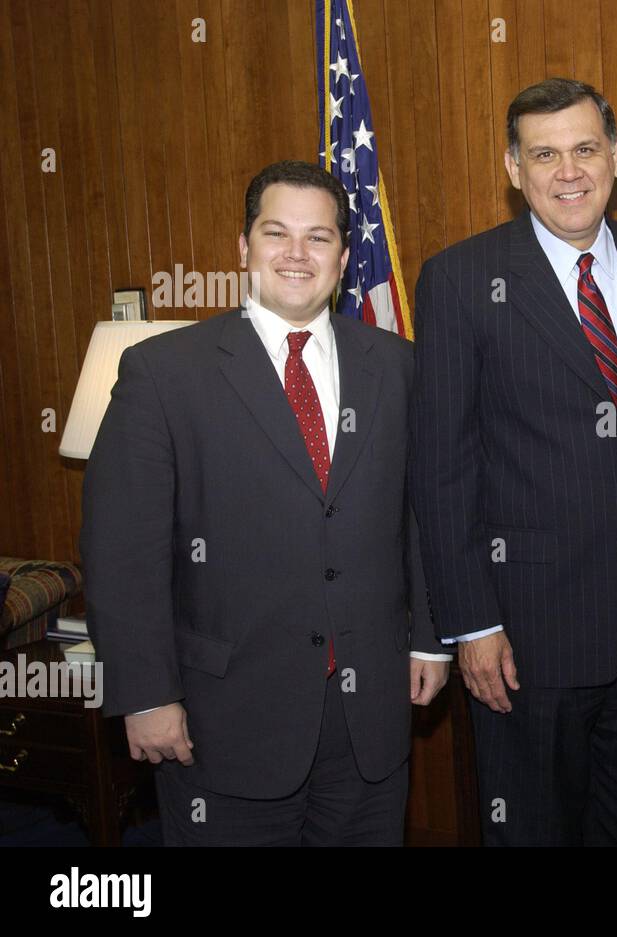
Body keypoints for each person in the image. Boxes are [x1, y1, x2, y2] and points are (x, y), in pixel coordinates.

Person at [82, 160, 449, 846]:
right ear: (243, 247)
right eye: (276, 232)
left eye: (317, 237)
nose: (296, 254)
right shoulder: (164, 373)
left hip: (368, 716)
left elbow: (421, 513)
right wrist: (145, 692)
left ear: (344, 254)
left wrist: (430, 636)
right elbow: (121, 552)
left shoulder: (397, 365)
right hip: (222, 722)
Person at [411, 78, 617, 845]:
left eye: (583, 148)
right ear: (514, 169)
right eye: (544, 154)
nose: (568, 171)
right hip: (526, 643)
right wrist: (471, 623)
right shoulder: (461, 279)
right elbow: (442, 468)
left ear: (615, 156)